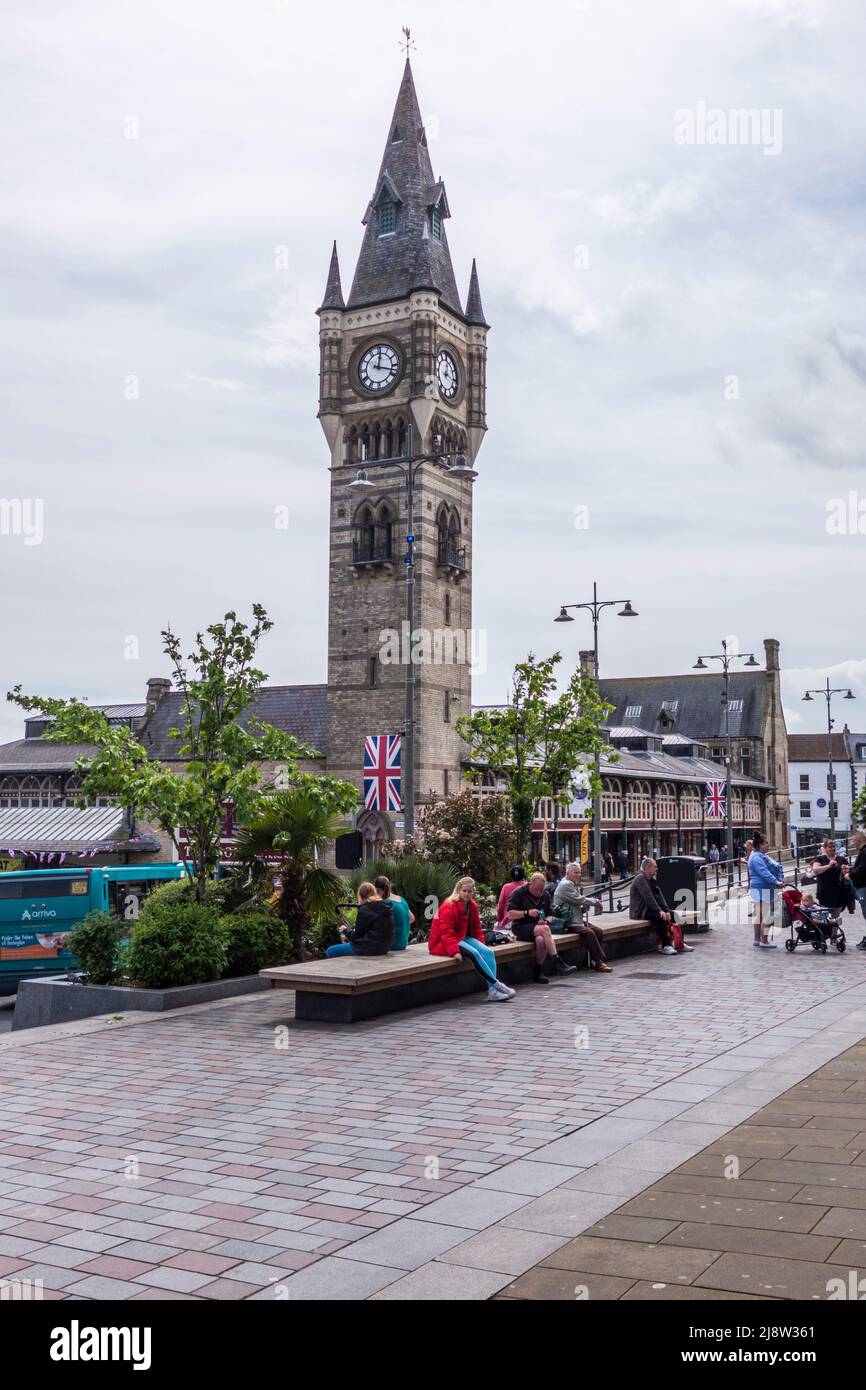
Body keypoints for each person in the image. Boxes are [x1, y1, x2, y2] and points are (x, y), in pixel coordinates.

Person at [429, 877, 515, 1002]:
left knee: (488, 952)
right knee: (474, 954)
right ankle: (498, 985)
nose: (467, 894)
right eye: (464, 891)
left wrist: (481, 944)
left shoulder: (472, 905)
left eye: (469, 891)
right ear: (459, 890)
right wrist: (455, 952)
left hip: (461, 937)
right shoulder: (449, 906)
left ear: (473, 892)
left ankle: (492, 991)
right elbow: (446, 933)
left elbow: (476, 928)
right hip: (442, 942)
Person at [507, 871, 577, 983]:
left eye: (541, 889)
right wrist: (527, 913)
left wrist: (545, 921)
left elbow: (550, 915)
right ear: (530, 884)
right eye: (536, 889)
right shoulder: (519, 893)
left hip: (538, 928)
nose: (539, 892)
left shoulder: (545, 894)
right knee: (545, 930)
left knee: (540, 940)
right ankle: (558, 962)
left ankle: (538, 971)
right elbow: (510, 914)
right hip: (521, 927)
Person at [552, 862, 613, 972]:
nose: (578, 875)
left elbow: (574, 902)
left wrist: (583, 909)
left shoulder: (572, 883)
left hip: (575, 920)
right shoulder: (566, 884)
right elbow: (578, 899)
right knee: (589, 932)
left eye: (579, 872)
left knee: (598, 931)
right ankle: (599, 962)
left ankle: (589, 960)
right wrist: (595, 902)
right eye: (575, 872)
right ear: (568, 873)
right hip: (567, 922)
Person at [629, 858, 695, 955]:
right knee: (659, 917)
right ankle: (666, 945)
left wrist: (667, 910)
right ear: (647, 867)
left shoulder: (651, 879)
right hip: (640, 911)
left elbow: (659, 896)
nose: (657, 869)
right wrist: (659, 911)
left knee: (674, 915)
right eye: (655, 867)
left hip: (650, 909)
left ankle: (679, 943)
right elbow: (648, 897)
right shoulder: (640, 878)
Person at [326, 882, 394, 957]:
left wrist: (345, 930)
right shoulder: (386, 906)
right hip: (384, 948)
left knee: (330, 950)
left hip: (368, 949)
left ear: (360, 896)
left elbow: (356, 936)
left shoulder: (365, 909)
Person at [748, 832, 784, 948]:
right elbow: (764, 872)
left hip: (758, 887)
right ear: (760, 845)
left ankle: (756, 939)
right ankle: (764, 940)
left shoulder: (756, 855)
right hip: (763, 887)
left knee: (759, 915)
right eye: (766, 843)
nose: (768, 845)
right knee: (766, 915)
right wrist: (776, 881)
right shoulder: (757, 858)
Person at [811, 839, 853, 917]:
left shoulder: (841, 859)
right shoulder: (820, 859)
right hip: (824, 894)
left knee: (834, 919)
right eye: (830, 847)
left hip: (838, 894)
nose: (832, 848)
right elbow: (816, 870)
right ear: (825, 848)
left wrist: (846, 871)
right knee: (825, 919)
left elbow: (850, 873)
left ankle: (833, 928)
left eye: (834, 846)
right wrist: (829, 866)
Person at [373, 874, 414, 951]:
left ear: (377, 890)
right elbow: (412, 918)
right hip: (403, 944)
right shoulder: (401, 899)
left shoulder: (385, 903)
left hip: (393, 945)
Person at [848, 829, 866, 949]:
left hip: (864, 887)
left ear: (859, 840)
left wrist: (850, 874)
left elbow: (862, 870)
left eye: (854, 841)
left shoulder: (864, 852)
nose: (853, 844)